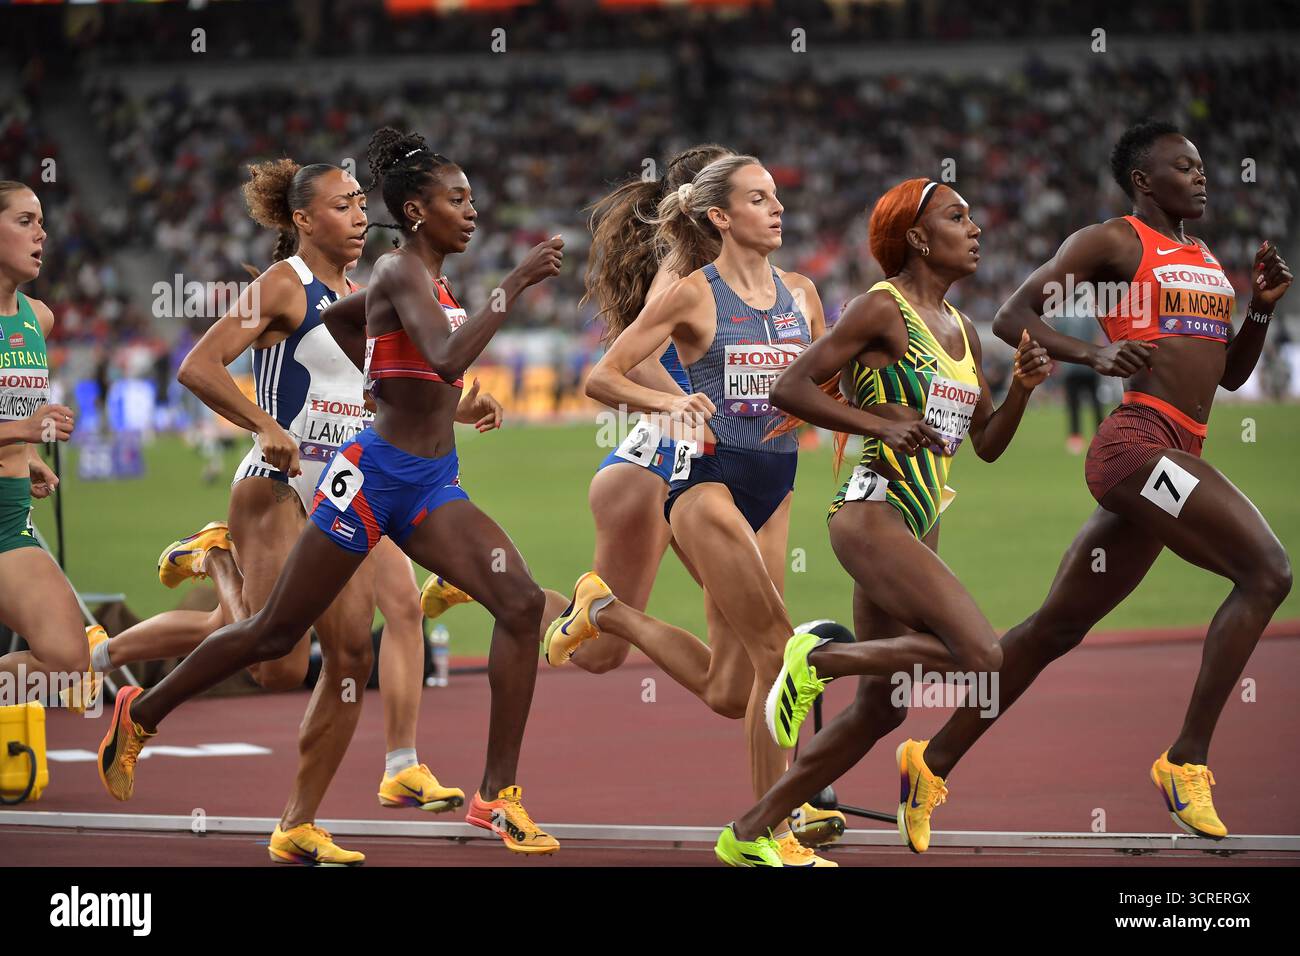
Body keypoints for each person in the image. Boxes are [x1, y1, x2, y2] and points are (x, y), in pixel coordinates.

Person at [98, 132, 563, 859]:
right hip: (337, 481)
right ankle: (144, 709)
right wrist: (517, 281)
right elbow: (438, 355)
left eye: (358, 203)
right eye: (458, 200)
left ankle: (477, 800)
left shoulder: (392, 286)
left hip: (427, 483)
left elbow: (366, 341)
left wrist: (426, 399)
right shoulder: (372, 270)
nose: (474, 212)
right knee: (276, 646)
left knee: (507, 607)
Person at [901, 120, 1293, 847]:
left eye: (1204, 165)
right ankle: (1186, 760)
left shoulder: (1204, 256)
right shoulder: (1114, 242)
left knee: (1055, 628)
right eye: (1186, 166)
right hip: (1137, 448)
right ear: (1146, 181)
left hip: (1180, 448)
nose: (1202, 176)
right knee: (1267, 573)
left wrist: (1262, 308)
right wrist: (1093, 353)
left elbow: (1231, 374)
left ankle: (930, 758)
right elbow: (1009, 315)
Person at [712, 177, 1050, 865]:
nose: (976, 227)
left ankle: (747, 833)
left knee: (882, 709)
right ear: (920, 238)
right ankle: (819, 659)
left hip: (918, 525)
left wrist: (1020, 389)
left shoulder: (964, 334)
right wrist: (877, 425)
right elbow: (790, 387)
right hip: (873, 514)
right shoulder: (881, 309)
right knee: (984, 657)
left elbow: (983, 444)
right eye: (958, 216)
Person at [545, 156, 839, 866]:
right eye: (757, 197)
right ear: (718, 214)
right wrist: (670, 404)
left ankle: (604, 610)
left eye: (775, 196)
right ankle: (769, 828)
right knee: (778, 649)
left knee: (732, 690)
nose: (776, 208)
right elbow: (611, 371)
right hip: (686, 474)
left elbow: (826, 374)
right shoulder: (687, 288)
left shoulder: (799, 293)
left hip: (772, 482)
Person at [0, 181, 91, 710]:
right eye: (24, 221)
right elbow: (19, 421)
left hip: (9, 515)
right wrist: (23, 432)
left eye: (42, 222)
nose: (42, 233)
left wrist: (30, 459)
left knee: (64, 658)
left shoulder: (39, 318)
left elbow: (16, 416)